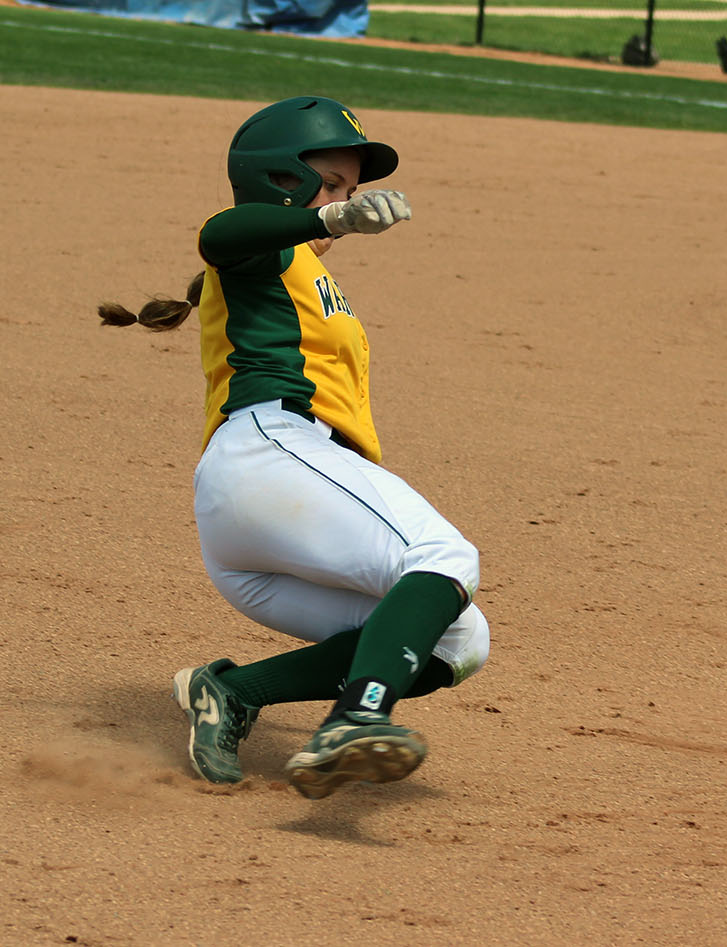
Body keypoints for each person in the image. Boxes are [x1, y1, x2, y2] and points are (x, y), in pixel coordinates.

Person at [99, 96, 490, 800]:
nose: (347, 199)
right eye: (333, 182)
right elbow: (224, 232)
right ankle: (355, 718)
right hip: (269, 452)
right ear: (281, 179)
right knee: (446, 555)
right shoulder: (262, 246)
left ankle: (232, 690)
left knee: (458, 637)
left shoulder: (297, 270)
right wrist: (327, 217)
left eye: (351, 190)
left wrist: (325, 217)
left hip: (266, 518)